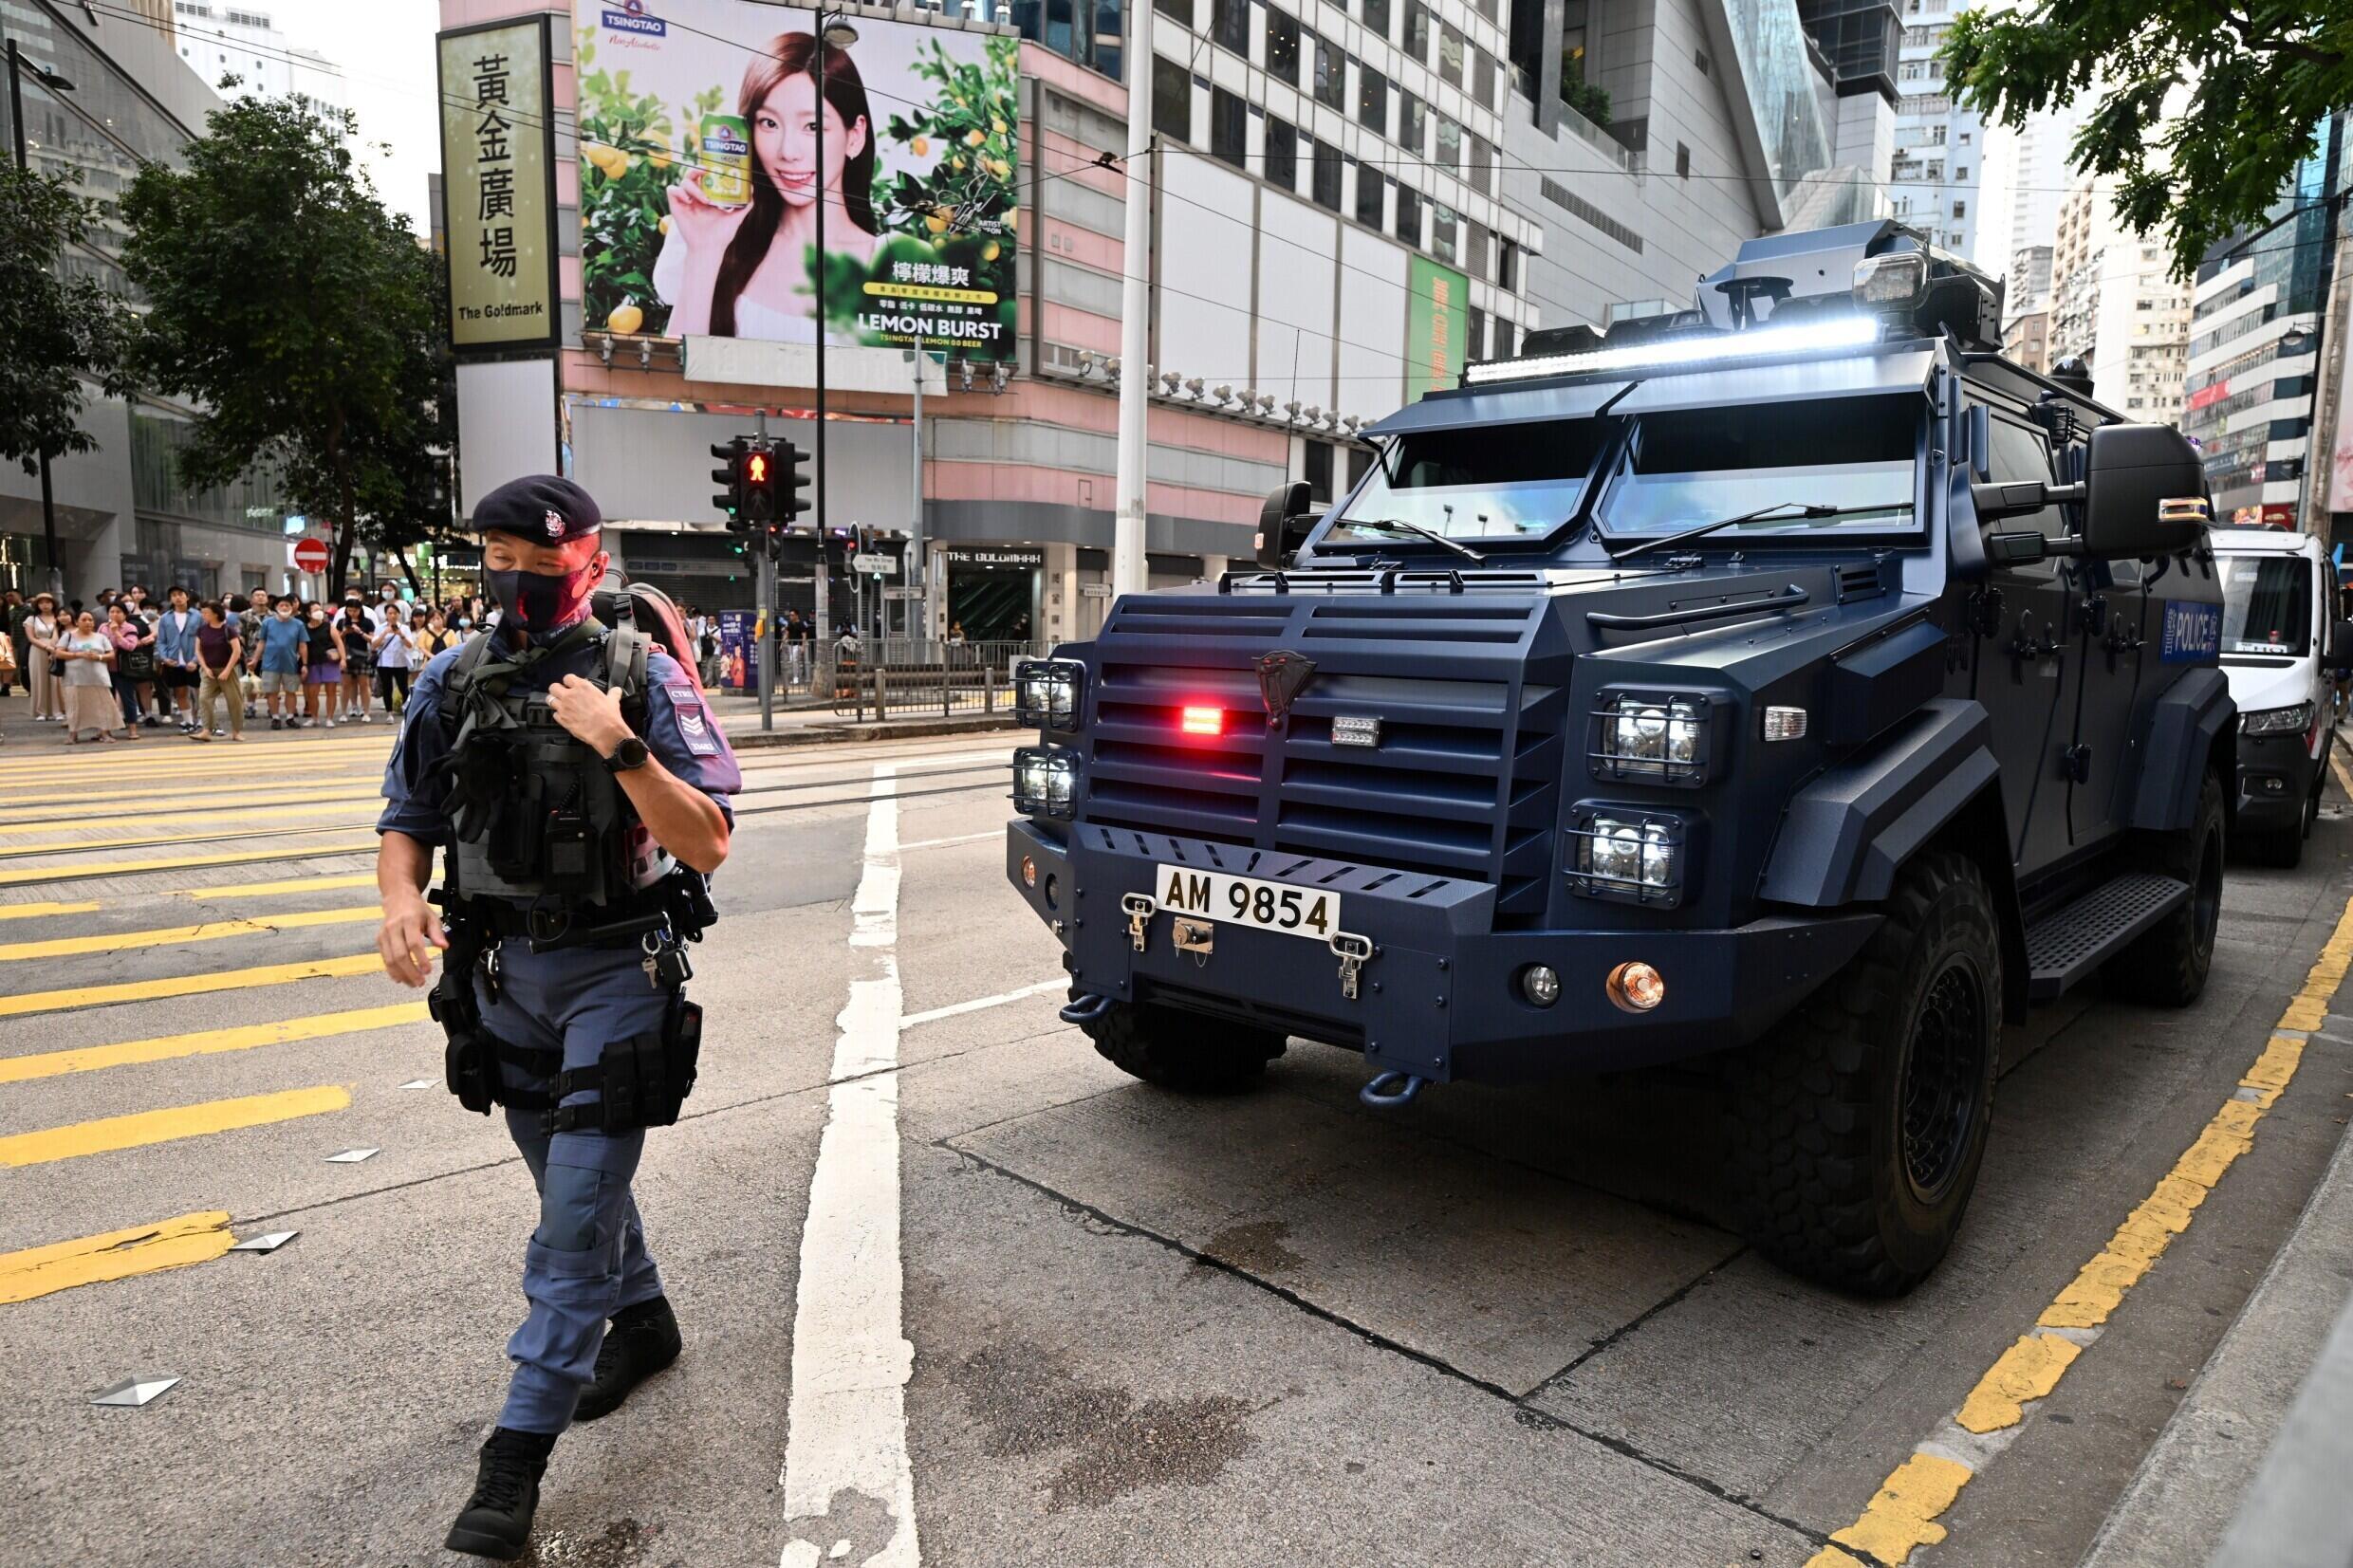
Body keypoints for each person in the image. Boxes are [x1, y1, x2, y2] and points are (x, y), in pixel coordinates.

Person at [373, 476, 740, 1560]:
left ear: (587, 561)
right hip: (501, 982)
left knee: (572, 1217)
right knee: (568, 1186)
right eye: (497, 558)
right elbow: (409, 816)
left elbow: (710, 838)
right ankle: (645, 1322)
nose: (516, 581)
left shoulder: (641, 676)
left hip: (613, 971)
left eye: (540, 563)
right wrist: (400, 902)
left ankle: (515, 1458)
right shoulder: (452, 678)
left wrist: (620, 745)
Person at [657, 30, 885, 341]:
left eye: (813, 126)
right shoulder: (719, 243)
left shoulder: (896, 262)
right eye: (769, 123)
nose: (788, 152)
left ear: (855, 135)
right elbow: (679, 377)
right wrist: (705, 249)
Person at [57, 610, 120, 743]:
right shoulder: (68, 636)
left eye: (90, 620)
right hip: (74, 677)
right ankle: (73, 734)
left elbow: (111, 655)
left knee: (102, 705)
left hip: (97, 677)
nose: (88, 623)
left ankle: (104, 733)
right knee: (74, 706)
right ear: (76, 622)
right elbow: (59, 653)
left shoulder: (100, 637)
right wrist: (78, 655)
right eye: (84, 620)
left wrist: (98, 656)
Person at [191, 599, 245, 741]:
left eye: (206, 612)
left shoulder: (228, 630)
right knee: (204, 699)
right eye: (202, 612)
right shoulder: (201, 630)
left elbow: (236, 651)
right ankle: (206, 730)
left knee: (234, 701)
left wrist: (227, 670)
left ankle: (236, 731)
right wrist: (205, 668)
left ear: (215, 614)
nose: (203, 615)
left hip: (228, 670)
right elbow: (198, 650)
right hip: (208, 670)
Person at [155, 585, 204, 732]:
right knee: (180, 692)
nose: (178, 597)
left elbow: (203, 639)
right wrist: (164, 658)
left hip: (194, 659)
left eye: (181, 594)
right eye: (174, 595)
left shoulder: (198, 616)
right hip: (175, 660)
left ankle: (202, 719)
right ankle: (188, 722)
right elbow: (161, 640)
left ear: (187, 597)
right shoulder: (165, 618)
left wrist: (196, 660)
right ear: (170, 599)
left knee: (201, 692)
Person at [102, 602, 145, 740]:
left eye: (118, 612)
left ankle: (132, 729)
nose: (114, 614)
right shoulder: (103, 627)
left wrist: (116, 633)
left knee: (127, 698)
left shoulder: (130, 627)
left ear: (125, 614)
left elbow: (130, 646)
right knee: (106, 700)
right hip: (105, 668)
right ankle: (105, 730)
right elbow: (98, 643)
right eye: (112, 612)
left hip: (124, 669)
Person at [338, 591, 377, 724]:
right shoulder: (341, 622)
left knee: (364, 684)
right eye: (350, 610)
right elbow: (336, 640)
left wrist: (360, 632)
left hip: (362, 656)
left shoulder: (367, 622)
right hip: (346, 656)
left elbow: (372, 639)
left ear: (360, 610)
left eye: (355, 610)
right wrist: (345, 632)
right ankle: (344, 712)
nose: (353, 613)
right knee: (345, 685)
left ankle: (366, 712)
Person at [23, 593, 62, 721]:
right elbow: (31, 638)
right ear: (37, 605)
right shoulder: (31, 619)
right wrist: (46, 647)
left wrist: (53, 647)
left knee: (55, 680)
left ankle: (57, 711)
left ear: (53, 604)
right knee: (39, 679)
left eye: (48, 602)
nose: (45, 605)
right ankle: (41, 711)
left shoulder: (58, 617)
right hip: (37, 649)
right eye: (41, 603)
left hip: (56, 649)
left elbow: (57, 634)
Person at [373, 605, 417, 714]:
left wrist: (401, 635)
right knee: (387, 688)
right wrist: (384, 633)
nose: (392, 615)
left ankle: (407, 709)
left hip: (400, 662)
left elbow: (410, 645)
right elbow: (374, 645)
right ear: (386, 615)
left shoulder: (404, 628)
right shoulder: (380, 628)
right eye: (390, 613)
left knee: (403, 687)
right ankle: (389, 712)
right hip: (384, 663)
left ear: (399, 614)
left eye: (395, 613)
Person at [304, 601, 343, 727]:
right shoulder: (304, 628)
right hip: (312, 662)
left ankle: (329, 718)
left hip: (329, 662)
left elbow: (339, 643)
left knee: (331, 691)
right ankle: (314, 718)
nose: (319, 612)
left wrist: (343, 659)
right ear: (308, 614)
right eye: (315, 610)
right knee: (312, 692)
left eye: (320, 609)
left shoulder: (329, 626)